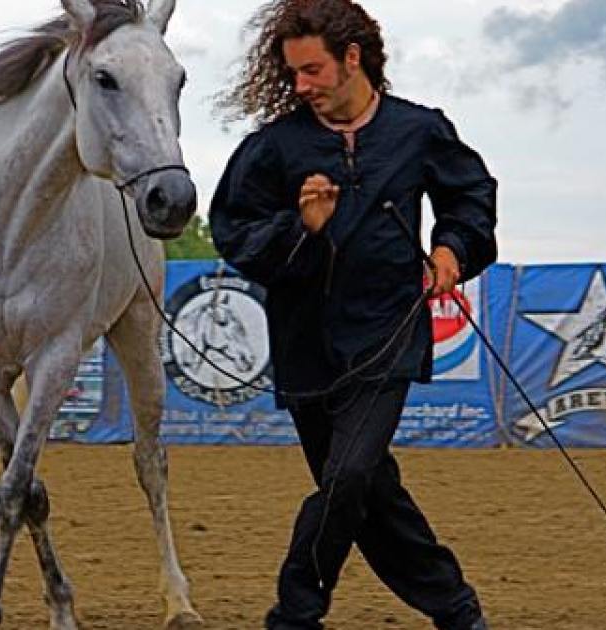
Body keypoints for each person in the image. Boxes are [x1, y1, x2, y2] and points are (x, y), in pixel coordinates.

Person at [209, 1, 497, 629]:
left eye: (313, 70)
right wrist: (301, 227)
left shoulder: (419, 131)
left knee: (351, 476)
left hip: (386, 332)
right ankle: (455, 608)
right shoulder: (273, 147)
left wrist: (452, 247)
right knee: (365, 493)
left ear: (353, 58)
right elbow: (233, 229)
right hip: (306, 343)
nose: (302, 87)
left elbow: (469, 197)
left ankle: (294, 614)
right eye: (293, 74)